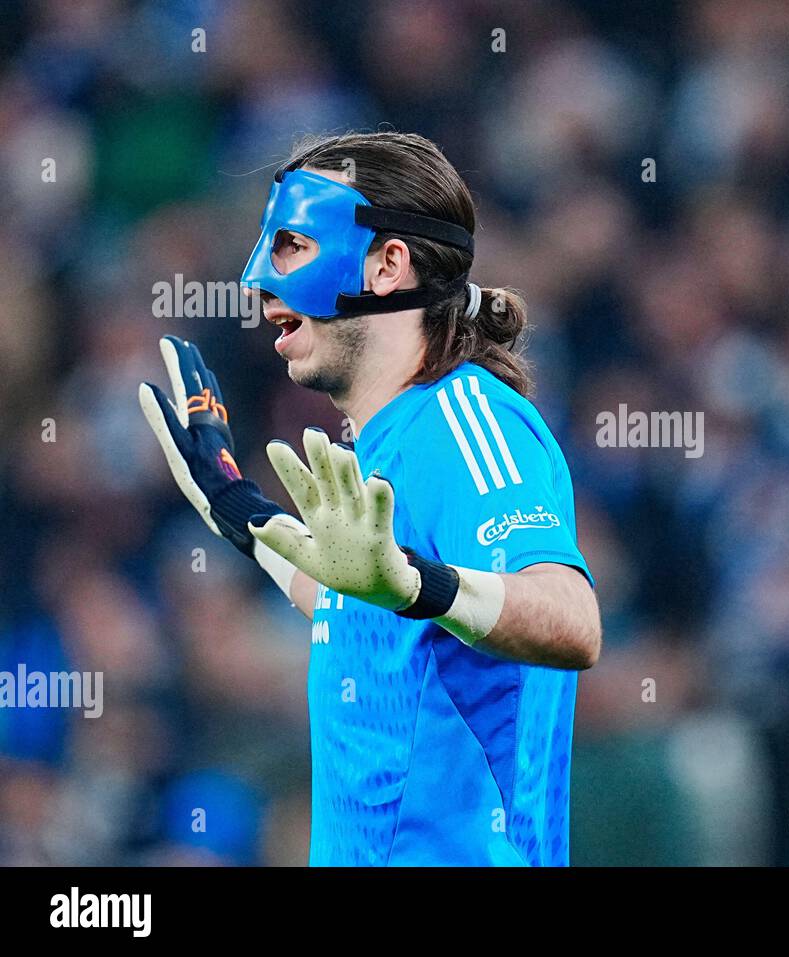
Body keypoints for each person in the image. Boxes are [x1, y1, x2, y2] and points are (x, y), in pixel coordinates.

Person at [138, 131, 601, 865]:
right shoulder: (383, 445)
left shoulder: (465, 419)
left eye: (291, 243)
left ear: (388, 264)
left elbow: (573, 619)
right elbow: (363, 608)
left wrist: (417, 583)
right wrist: (237, 506)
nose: (261, 280)